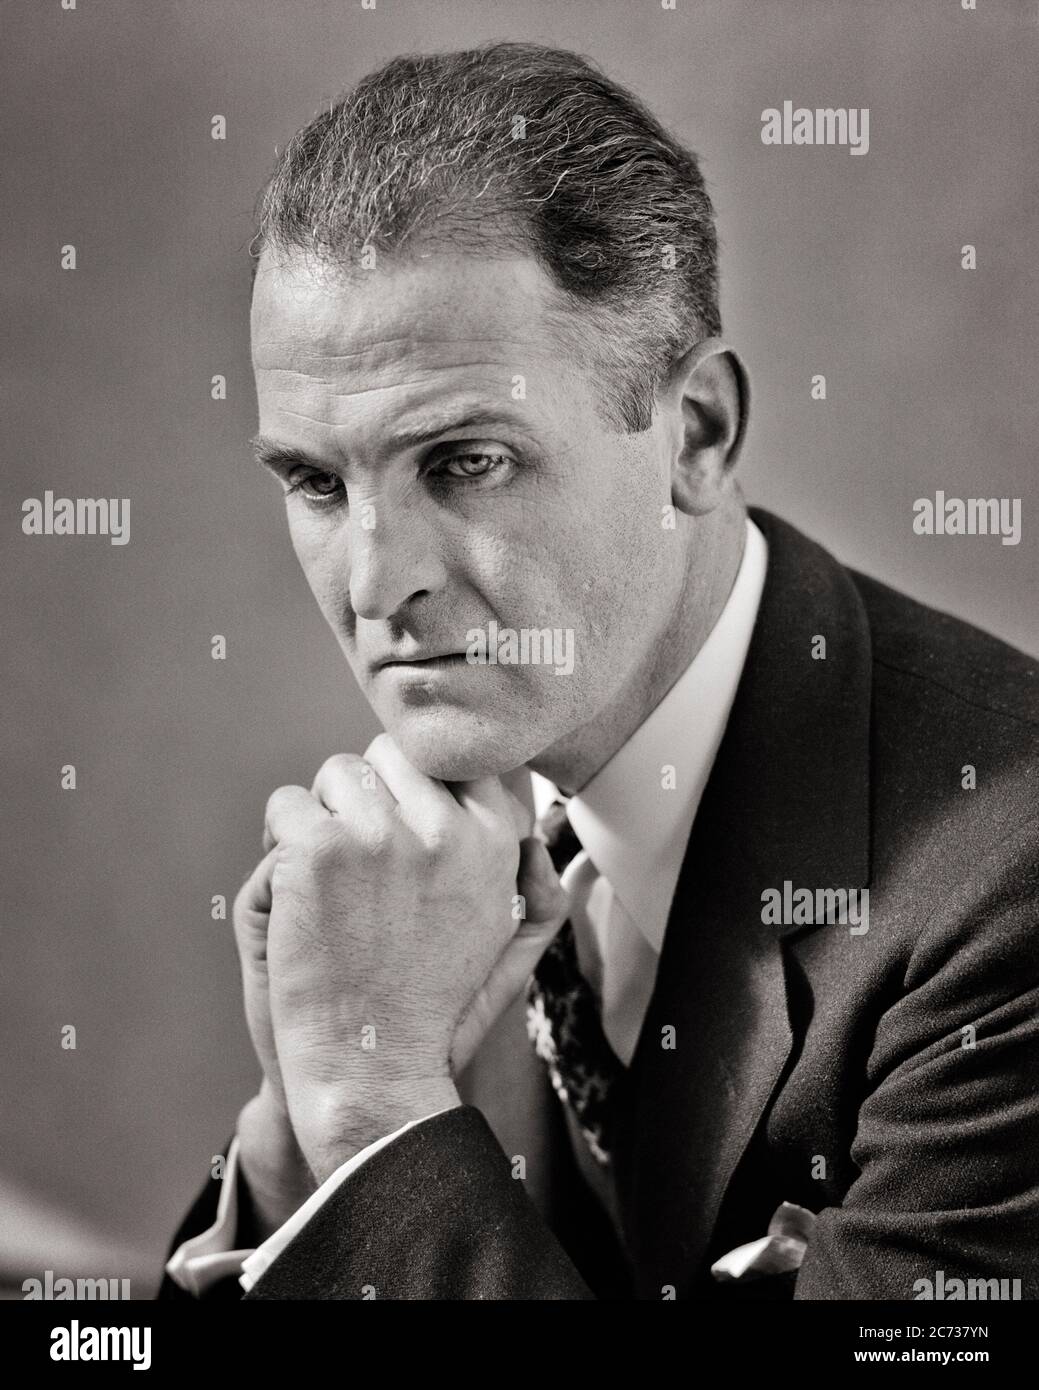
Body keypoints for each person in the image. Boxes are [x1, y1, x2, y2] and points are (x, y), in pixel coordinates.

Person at [159, 42, 1039, 1301]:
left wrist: (377, 1111)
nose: (372, 582)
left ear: (693, 435)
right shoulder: (407, 882)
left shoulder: (1009, 889)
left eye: (464, 461)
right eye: (314, 480)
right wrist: (302, 1143)